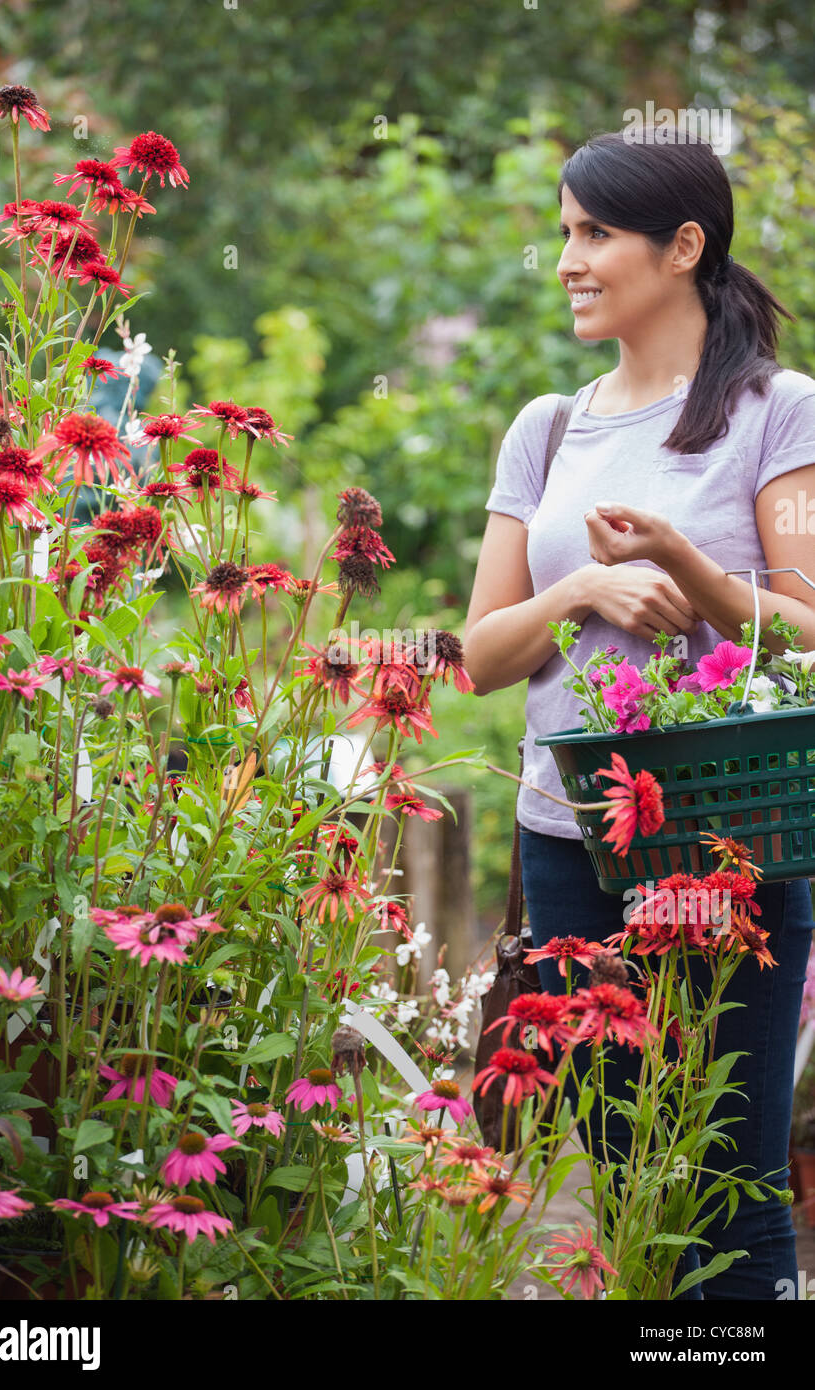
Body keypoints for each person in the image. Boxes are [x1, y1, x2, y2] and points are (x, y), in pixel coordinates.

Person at [464, 128, 815, 1300]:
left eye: (592, 233)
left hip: (724, 848)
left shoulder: (776, 410)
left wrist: (691, 572)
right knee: (627, 1183)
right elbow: (476, 655)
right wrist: (576, 589)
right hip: (568, 848)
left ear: (680, 246)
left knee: (727, 1186)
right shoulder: (547, 427)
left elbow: (813, 618)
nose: (566, 258)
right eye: (564, 231)